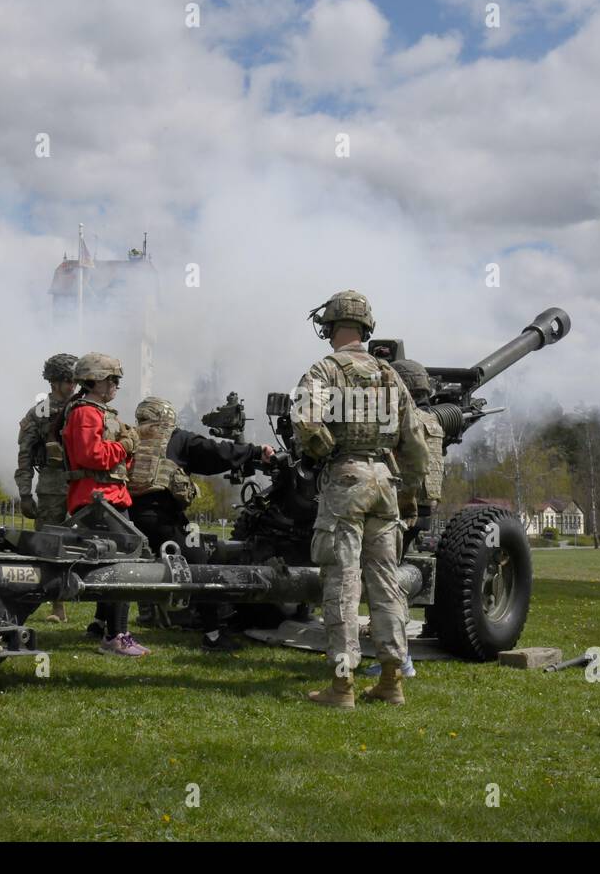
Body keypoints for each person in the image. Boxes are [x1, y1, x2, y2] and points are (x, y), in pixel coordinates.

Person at [293, 290, 426, 708]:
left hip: (346, 481)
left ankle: (342, 685)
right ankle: (391, 681)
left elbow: (304, 420)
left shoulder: (324, 370)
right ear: (366, 328)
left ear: (331, 326)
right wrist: (406, 491)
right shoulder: (390, 375)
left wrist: (325, 451)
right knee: (386, 584)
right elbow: (416, 443)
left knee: (343, 583)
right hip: (385, 482)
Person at [127, 396, 274, 652]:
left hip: (126, 517)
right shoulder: (177, 439)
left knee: (121, 567)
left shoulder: (129, 438)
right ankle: (213, 634)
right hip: (161, 518)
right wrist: (254, 451)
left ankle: (101, 625)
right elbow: (215, 452)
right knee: (201, 566)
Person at [61, 351, 149, 657]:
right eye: (113, 379)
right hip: (97, 499)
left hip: (108, 497)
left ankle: (112, 630)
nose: (116, 385)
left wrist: (127, 446)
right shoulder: (85, 412)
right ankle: (116, 636)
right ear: (97, 381)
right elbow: (91, 455)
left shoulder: (99, 411)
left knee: (118, 563)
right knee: (123, 564)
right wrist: (125, 445)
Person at [364, 357, 445, 679]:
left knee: (387, 584)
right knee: (391, 580)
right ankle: (397, 655)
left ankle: (399, 660)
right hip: (421, 510)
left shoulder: (404, 422)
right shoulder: (433, 422)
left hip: (400, 510)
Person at [15, 352, 78, 622]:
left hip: (82, 486)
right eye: (66, 381)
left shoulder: (84, 408)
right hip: (52, 488)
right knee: (47, 546)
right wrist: (25, 493)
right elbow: (25, 454)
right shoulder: (39, 412)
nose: (71, 386)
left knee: (83, 544)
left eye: (74, 381)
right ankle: (56, 606)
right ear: (53, 382)